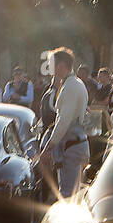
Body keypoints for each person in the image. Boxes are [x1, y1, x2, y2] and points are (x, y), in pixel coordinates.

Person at [37, 47, 89, 199]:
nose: (48, 68)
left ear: (60, 66)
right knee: (72, 194)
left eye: (51, 64)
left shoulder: (71, 85)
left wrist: (48, 147)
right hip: (73, 144)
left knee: (67, 196)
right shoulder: (73, 83)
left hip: (71, 146)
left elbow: (63, 120)